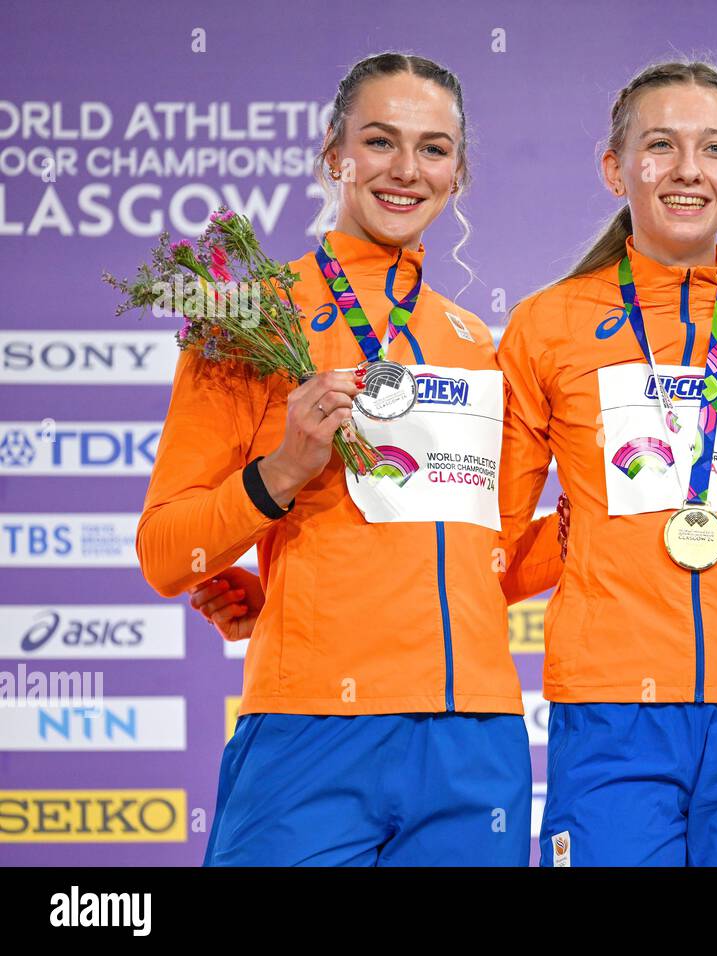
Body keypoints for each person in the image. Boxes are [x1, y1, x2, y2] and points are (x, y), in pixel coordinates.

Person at [139, 52, 551, 866]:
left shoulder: (475, 344)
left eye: (433, 148)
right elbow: (163, 553)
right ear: (334, 155)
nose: (406, 170)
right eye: (379, 141)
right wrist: (279, 476)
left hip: (476, 736)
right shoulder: (249, 319)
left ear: (459, 171)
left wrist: (594, 531)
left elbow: (486, 563)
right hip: (311, 730)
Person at [496, 60, 717, 867]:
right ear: (615, 168)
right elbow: (494, 543)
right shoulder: (546, 326)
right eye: (661, 146)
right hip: (613, 707)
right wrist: (584, 531)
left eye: (714, 149)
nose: (688, 170)